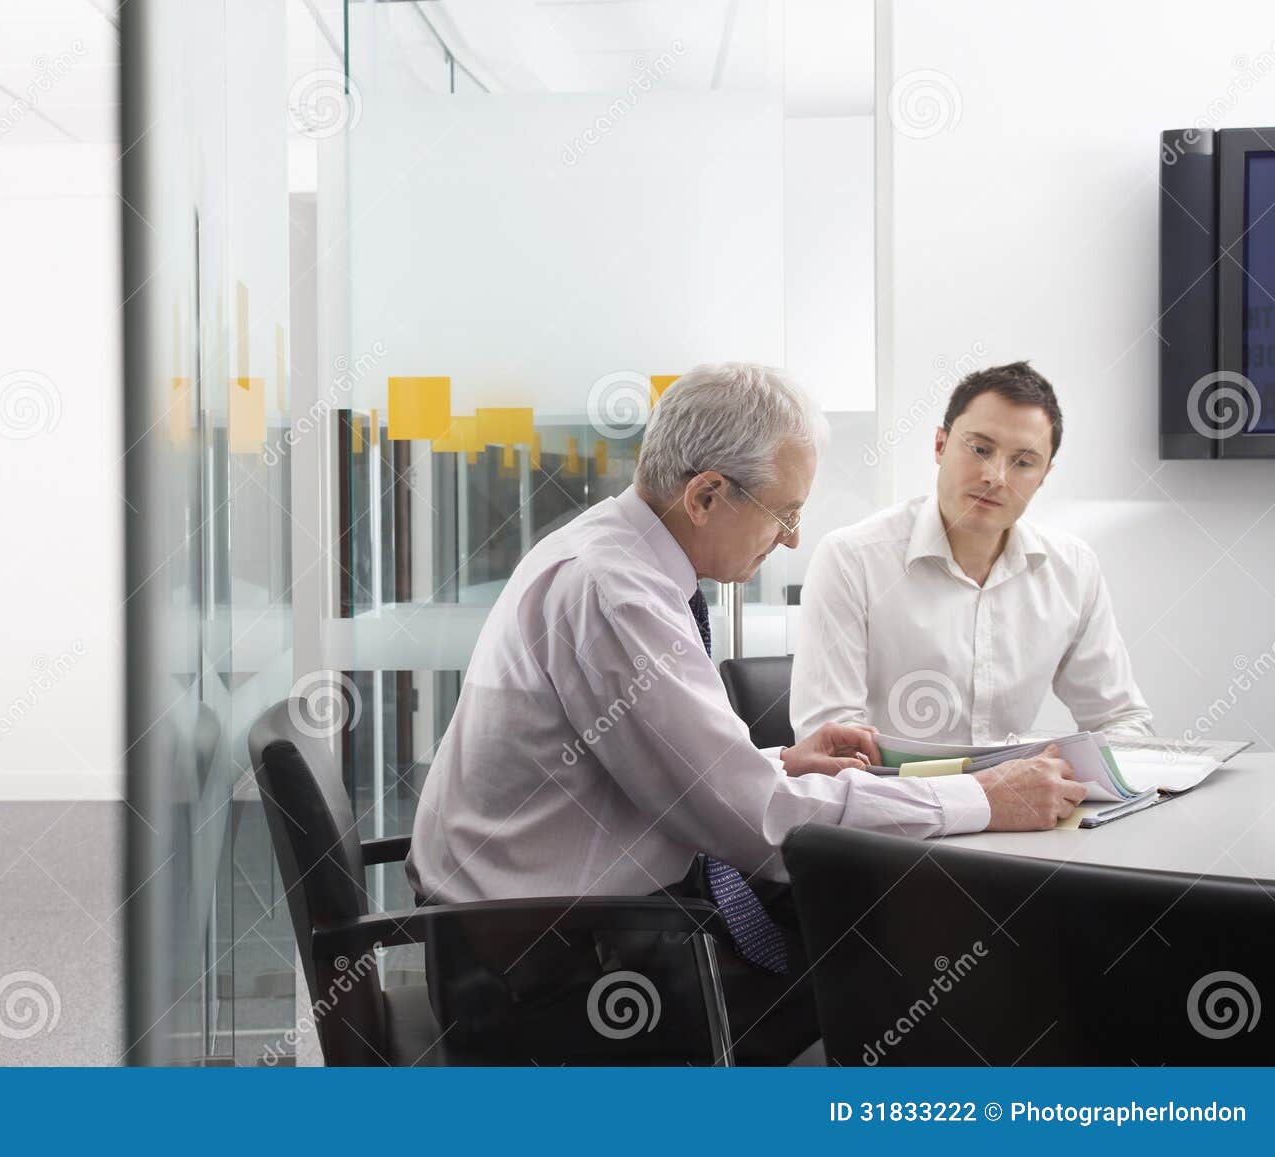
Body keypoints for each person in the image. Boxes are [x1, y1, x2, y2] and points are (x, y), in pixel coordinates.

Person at [405, 362, 1087, 1064]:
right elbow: (753, 822)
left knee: (872, 943)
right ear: (706, 495)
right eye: (784, 512)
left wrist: (781, 761)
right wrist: (979, 797)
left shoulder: (616, 555)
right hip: (551, 972)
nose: (792, 538)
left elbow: (669, 772)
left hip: (554, 927)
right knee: (902, 977)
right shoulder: (615, 593)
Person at [791, 361, 1153, 746]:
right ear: (940, 445)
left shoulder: (1072, 568)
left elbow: (1122, 719)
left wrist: (1073, 773)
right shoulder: (852, 559)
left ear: (1045, 474)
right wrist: (975, 796)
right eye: (980, 449)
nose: (995, 477)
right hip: (895, 800)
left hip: (1023, 800)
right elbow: (828, 744)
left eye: (1024, 462)